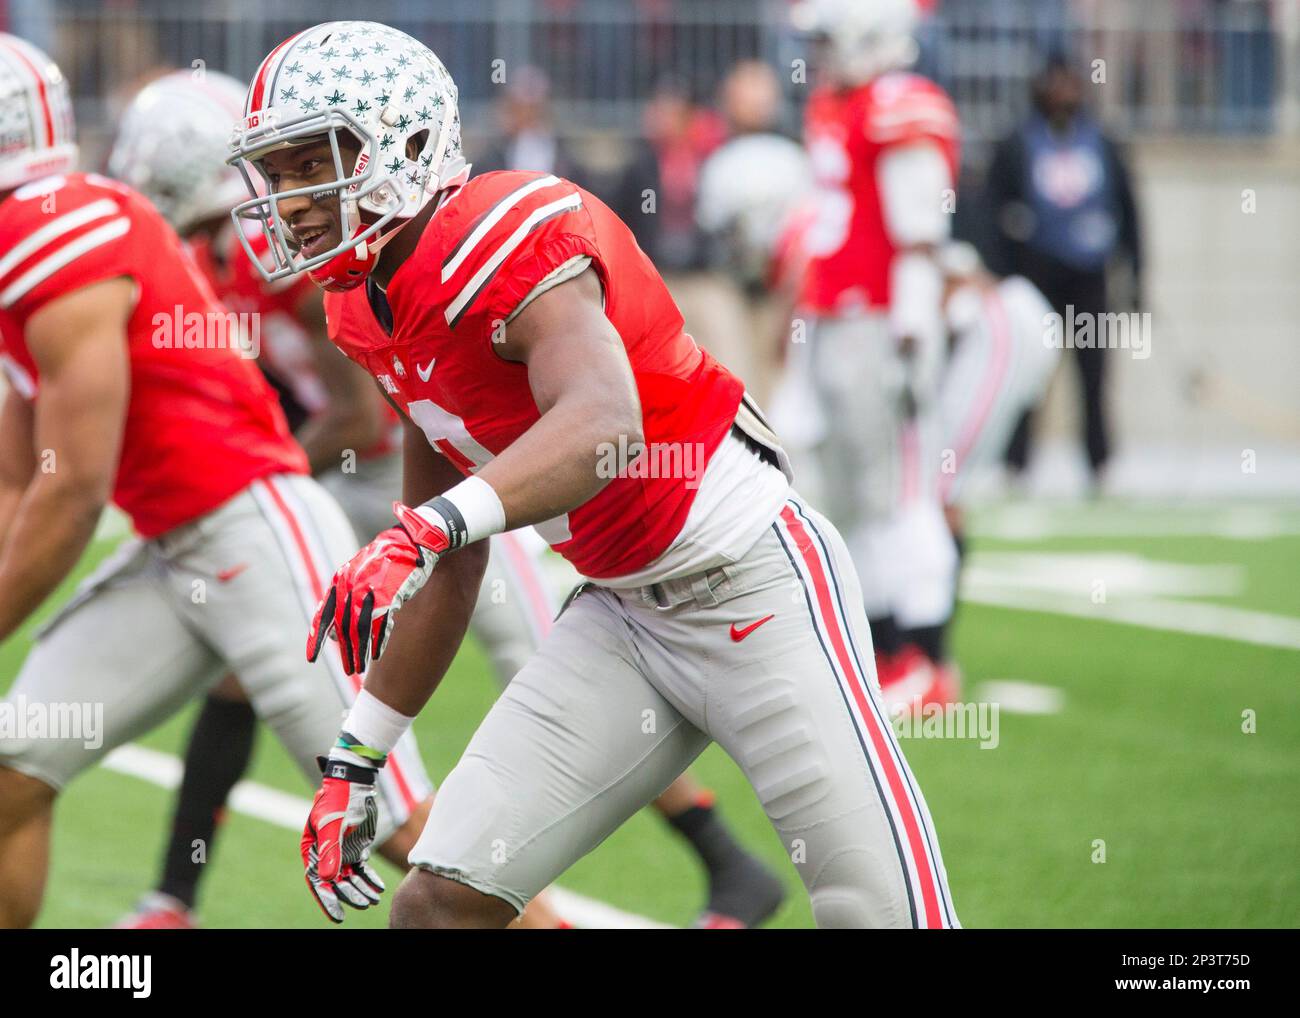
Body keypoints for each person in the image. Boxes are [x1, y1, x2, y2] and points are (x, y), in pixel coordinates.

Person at [228, 19, 958, 929]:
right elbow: (448, 561)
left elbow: (603, 426)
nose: (291, 199)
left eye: (311, 164)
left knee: (884, 916)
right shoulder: (363, 309)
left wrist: (428, 527)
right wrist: (355, 757)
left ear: (407, 146)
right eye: (280, 171)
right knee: (437, 905)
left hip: (749, 580)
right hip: (620, 615)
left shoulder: (502, 228)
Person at [107, 68, 782, 931]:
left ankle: (719, 858)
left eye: (292, 175)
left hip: (447, 478)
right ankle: (175, 896)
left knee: (548, 653)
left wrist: (274, 475)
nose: (276, 207)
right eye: (264, 180)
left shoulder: (335, 267)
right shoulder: (263, 262)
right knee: (256, 670)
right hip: (375, 488)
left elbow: (360, 417)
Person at [0, 33, 435, 929]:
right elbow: (19, 479)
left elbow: (73, 490)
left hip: (251, 527)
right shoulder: (35, 236)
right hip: (176, 549)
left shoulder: (49, 231)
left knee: (397, 828)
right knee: (13, 769)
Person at [791, 0, 962, 702]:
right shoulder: (840, 103)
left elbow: (919, 237)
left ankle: (919, 659)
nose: (823, 53)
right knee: (855, 497)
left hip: (883, 324)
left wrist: (913, 337)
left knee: (895, 494)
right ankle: (880, 651)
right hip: (835, 319)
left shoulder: (901, 104)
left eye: (832, 36)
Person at [984, 52, 1143, 489]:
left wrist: (1136, 276)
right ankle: (1015, 464)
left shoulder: (1101, 141)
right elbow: (993, 211)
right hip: (1038, 276)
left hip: (1089, 276)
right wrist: (1002, 273)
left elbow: (1128, 211)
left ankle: (1099, 462)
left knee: (1093, 374)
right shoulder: (1019, 141)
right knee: (1028, 373)